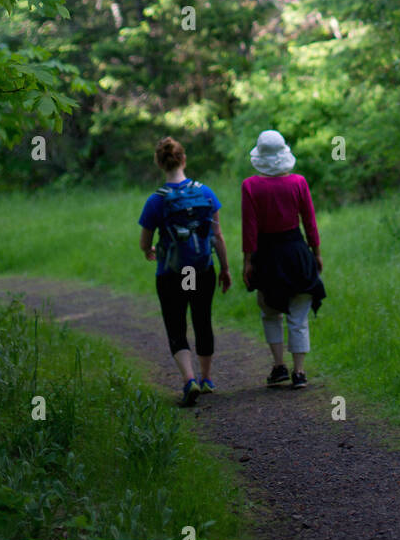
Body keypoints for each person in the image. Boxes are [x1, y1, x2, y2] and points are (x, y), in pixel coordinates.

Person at [139, 136, 231, 406]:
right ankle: (207, 378)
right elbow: (217, 236)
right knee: (202, 320)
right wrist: (225, 268)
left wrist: (149, 250)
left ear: (159, 163)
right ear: (184, 159)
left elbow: (145, 242)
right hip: (201, 270)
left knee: (176, 324)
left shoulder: (156, 201)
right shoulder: (206, 193)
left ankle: (188, 379)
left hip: (171, 274)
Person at [241, 129, 325, 389]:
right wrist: (316, 253)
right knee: (298, 317)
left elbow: (250, 228)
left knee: (270, 313)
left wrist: (248, 261)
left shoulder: (250, 186)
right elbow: (310, 222)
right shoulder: (299, 182)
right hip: (297, 252)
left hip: (267, 255)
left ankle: (279, 367)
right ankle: (299, 372)